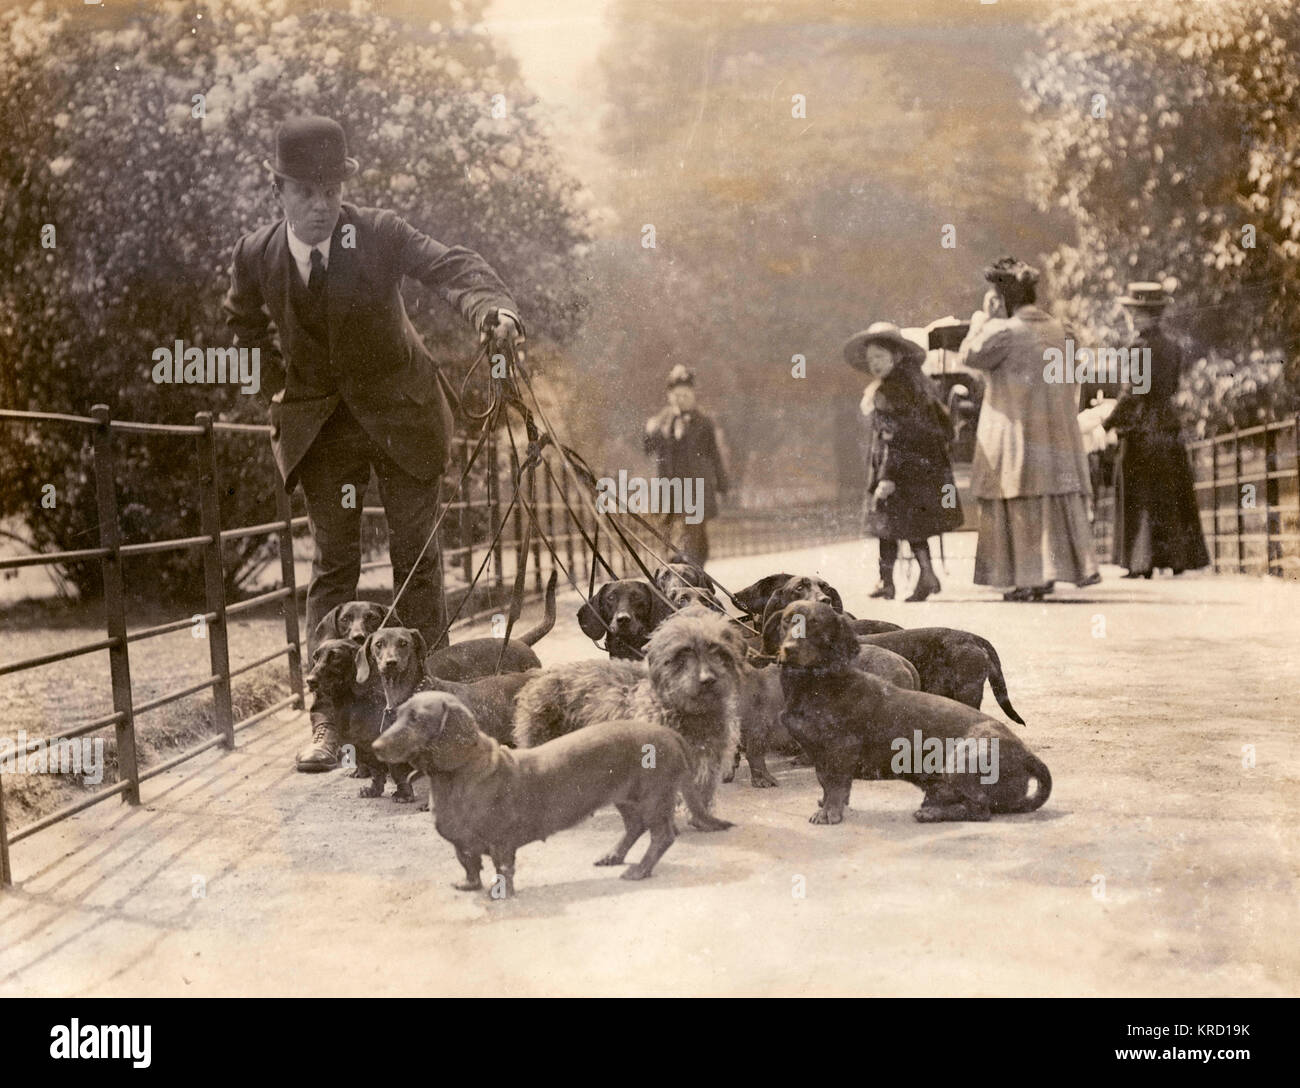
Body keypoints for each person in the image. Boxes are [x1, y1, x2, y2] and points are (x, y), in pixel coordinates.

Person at [224, 115, 524, 771]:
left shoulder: (380, 233)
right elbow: (243, 330)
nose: (322, 202)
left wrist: (492, 311)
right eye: (306, 190)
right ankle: (329, 723)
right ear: (279, 189)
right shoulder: (256, 254)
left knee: (417, 560)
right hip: (321, 428)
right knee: (335, 570)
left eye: (331, 188)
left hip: (402, 414)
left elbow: (453, 267)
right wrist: (276, 389)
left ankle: (434, 724)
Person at [957, 256, 1100, 601]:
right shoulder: (1061, 330)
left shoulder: (1003, 333)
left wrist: (983, 319)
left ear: (1002, 297)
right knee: (1048, 500)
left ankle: (1028, 578)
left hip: (1015, 434)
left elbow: (969, 356)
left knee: (1019, 501)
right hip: (1057, 435)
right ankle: (1048, 572)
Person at [843, 322, 963, 601]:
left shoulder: (888, 392)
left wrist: (886, 477)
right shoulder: (919, 384)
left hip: (898, 467)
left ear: (896, 357)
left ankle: (906, 579)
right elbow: (945, 428)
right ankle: (909, 577)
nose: (874, 364)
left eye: (880, 357)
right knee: (905, 524)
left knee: (891, 522)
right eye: (871, 359)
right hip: (920, 466)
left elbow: (892, 437)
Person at [1102, 282, 1210, 578]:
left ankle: (1141, 561)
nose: (1128, 317)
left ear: (1142, 315)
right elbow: (1172, 386)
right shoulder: (1173, 347)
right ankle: (1176, 558)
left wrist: (1107, 422)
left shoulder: (1137, 348)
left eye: (1132, 312)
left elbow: (1132, 393)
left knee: (1140, 490)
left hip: (1141, 425)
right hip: (1167, 422)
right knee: (1170, 489)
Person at [643, 365, 729, 567]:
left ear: (693, 395)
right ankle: (674, 573)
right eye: (677, 395)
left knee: (694, 535)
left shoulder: (704, 422)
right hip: (669, 488)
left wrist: (722, 484)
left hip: (696, 489)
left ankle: (692, 574)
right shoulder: (660, 421)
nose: (681, 399)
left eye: (686, 395)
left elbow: (714, 454)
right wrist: (648, 431)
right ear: (670, 396)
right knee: (669, 534)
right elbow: (648, 450)